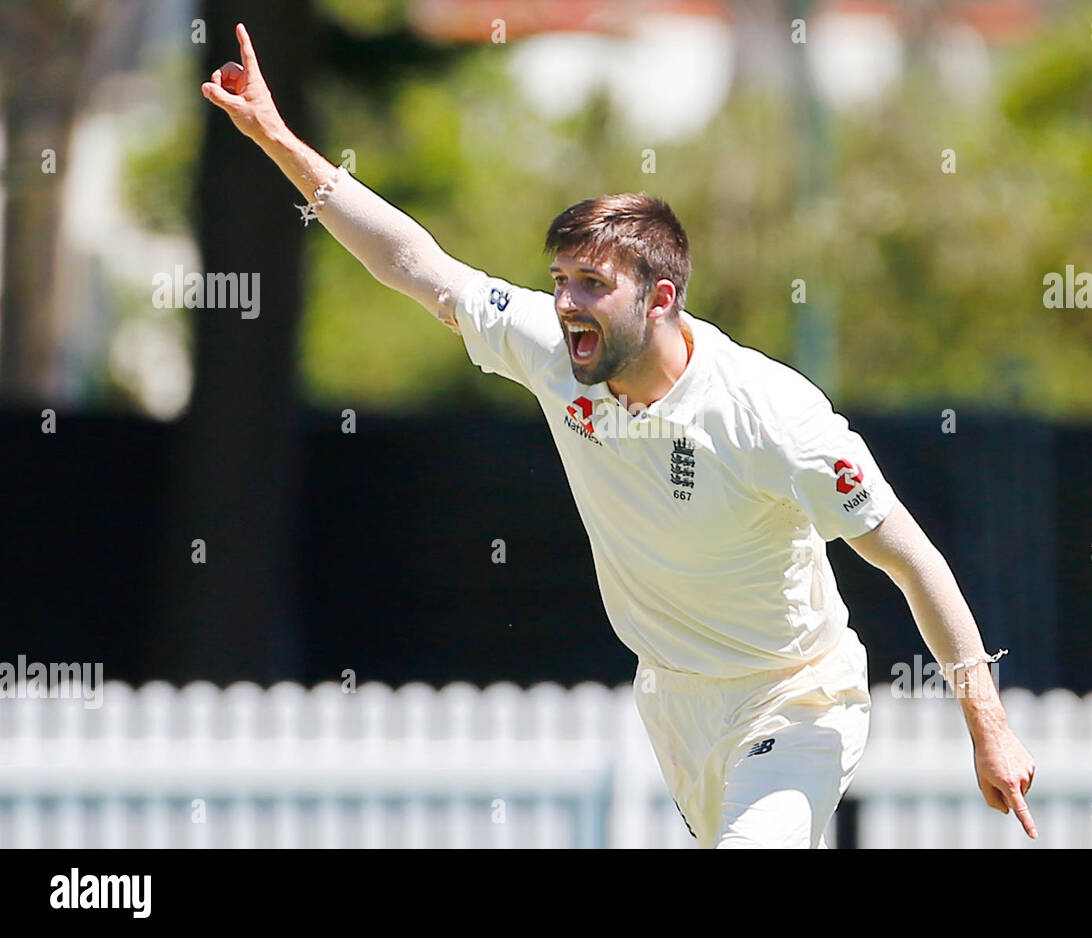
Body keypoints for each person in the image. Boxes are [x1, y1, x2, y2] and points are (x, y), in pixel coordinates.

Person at [202, 23, 1037, 848]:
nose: (565, 303)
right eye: (561, 280)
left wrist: (987, 722)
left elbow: (911, 558)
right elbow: (416, 264)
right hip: (674, 703)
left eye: (592, 284)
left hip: (798, 696)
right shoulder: (552, 349)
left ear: (662, 298)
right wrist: (279, 141)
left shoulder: (772, 415)